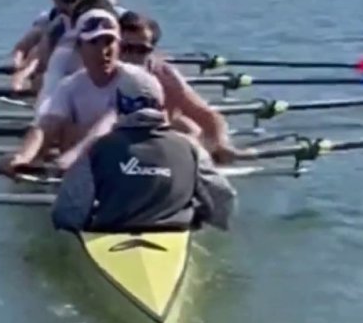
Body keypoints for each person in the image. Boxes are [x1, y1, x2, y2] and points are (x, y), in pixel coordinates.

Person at [50, 62, 237, 233]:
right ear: (160, 105)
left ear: (121, 105)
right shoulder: (191, 148)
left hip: (112, 231)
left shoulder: (97, 149)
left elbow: (69, 210)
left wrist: (73, 229)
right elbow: (224, 197)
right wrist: (203, 217)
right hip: (175, 230)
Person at [1, 7, 155, 176]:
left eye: (109, 41)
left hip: (138, 167)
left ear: (119, 46)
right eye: (94, 43)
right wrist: (23, 155)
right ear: (79, 48)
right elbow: (46, 125)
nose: (104, 51)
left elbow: (109, 122)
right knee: (63, 129)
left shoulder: (137, 81)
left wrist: (73, 156)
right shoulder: (69, 86)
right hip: (93, 164)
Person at [116, 10, 246, 164]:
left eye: (141, 50)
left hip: (155, 146)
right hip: (112, 145)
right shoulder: (96, 73)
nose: (131, 57)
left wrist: (221, 143)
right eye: (126, 48)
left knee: (190, 130)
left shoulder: (164, 75)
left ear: (152, 51)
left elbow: (209, 117)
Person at [9, 0, 92, 92]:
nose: (76, 4)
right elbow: (35, 53)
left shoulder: (101, 22)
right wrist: (20, 73)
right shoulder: (55, 24)